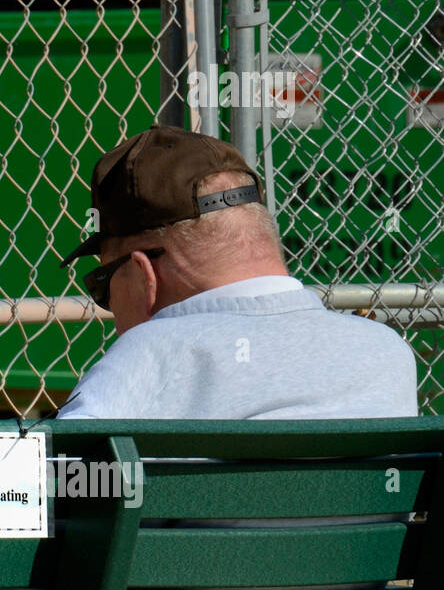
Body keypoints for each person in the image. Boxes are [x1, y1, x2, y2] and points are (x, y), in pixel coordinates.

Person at [56, 125, 417, 419]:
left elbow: (58, 487)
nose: (109, 308)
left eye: (102, 284)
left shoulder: (148, 356)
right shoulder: (387, 353)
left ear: (143, 273)